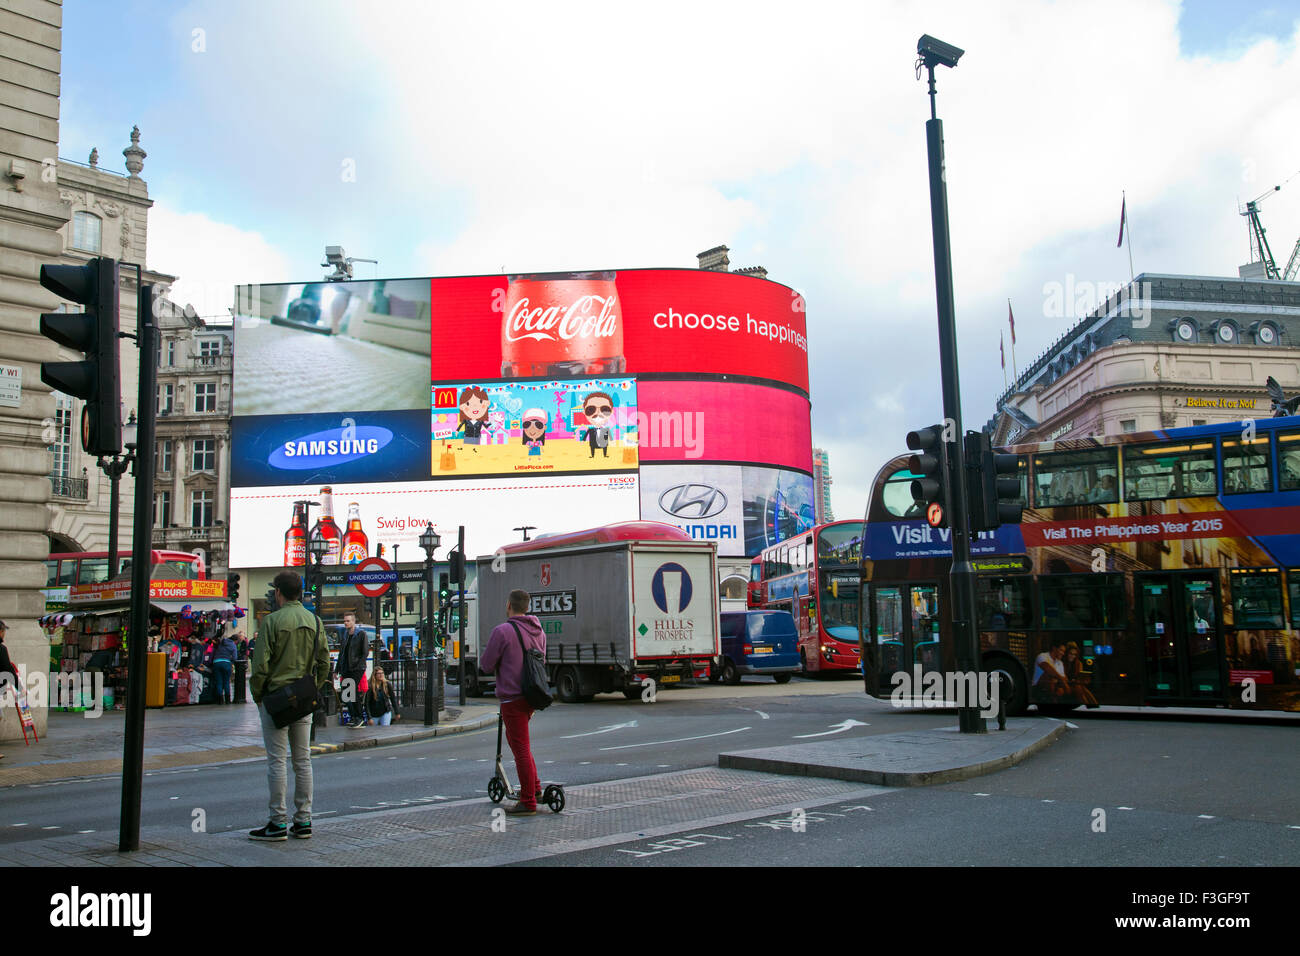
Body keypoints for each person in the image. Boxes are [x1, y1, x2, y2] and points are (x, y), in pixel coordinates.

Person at [249, 571, 331, 841]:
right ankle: (304, 820)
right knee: (302, 760)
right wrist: (313, 686)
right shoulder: (314, 621)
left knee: (277, 761)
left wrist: (259, 695)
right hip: (303, 697)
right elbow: (324, 663)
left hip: (276, 697)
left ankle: (277, 822)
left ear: (279, 593)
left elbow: (260, 666)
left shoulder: (271, 621)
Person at [480, 589, 547, 815]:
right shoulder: (539, 632)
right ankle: (535, 789)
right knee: (520, 743)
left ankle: (528, 801)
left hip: (511, 696)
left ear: (509, 605)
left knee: (520, 749)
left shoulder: (502, 631)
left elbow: (486, 665)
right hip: (531, 695)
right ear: (527, 607)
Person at [337, 612, 369, 729]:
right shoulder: (345, 635)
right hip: (346, 668)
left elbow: (365, 652)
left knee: (352, 690)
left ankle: (359, 717)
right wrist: (337, 669)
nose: (346, 623)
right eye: (345, 621)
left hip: (356, 668)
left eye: (348, 621)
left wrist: (358, 665)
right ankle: (354, 717)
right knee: (346, 693)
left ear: (353, 621)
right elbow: (342, 653)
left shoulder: (361, 634)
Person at [0, 621, 19, 760]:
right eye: (3, 631)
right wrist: (21, 688)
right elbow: (8, 669)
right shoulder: (1, 649)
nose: (4, 633)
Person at [1063, 641, 1098, 708]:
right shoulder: (1062, 663)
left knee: (1081, 687)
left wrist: (1083, 679)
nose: (1072, 656)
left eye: (1074, 654)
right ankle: (1091, 706)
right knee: (1079, 687)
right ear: (1067, 653)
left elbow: (1079, 676)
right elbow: (1063, 677)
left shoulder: (1078, 663)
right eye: (1070, 654)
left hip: (1075, 684)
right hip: (1066, 684)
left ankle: (1092, 706)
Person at [212, 629, 238, 704]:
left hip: (216, 662)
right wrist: (231, 661)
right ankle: (227, 700)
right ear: (235, 640)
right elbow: (235, 657)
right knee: (226, 681)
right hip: (226, 663)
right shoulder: (233, 645)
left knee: (219, 681)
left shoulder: (222, 642)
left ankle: (220, 700)